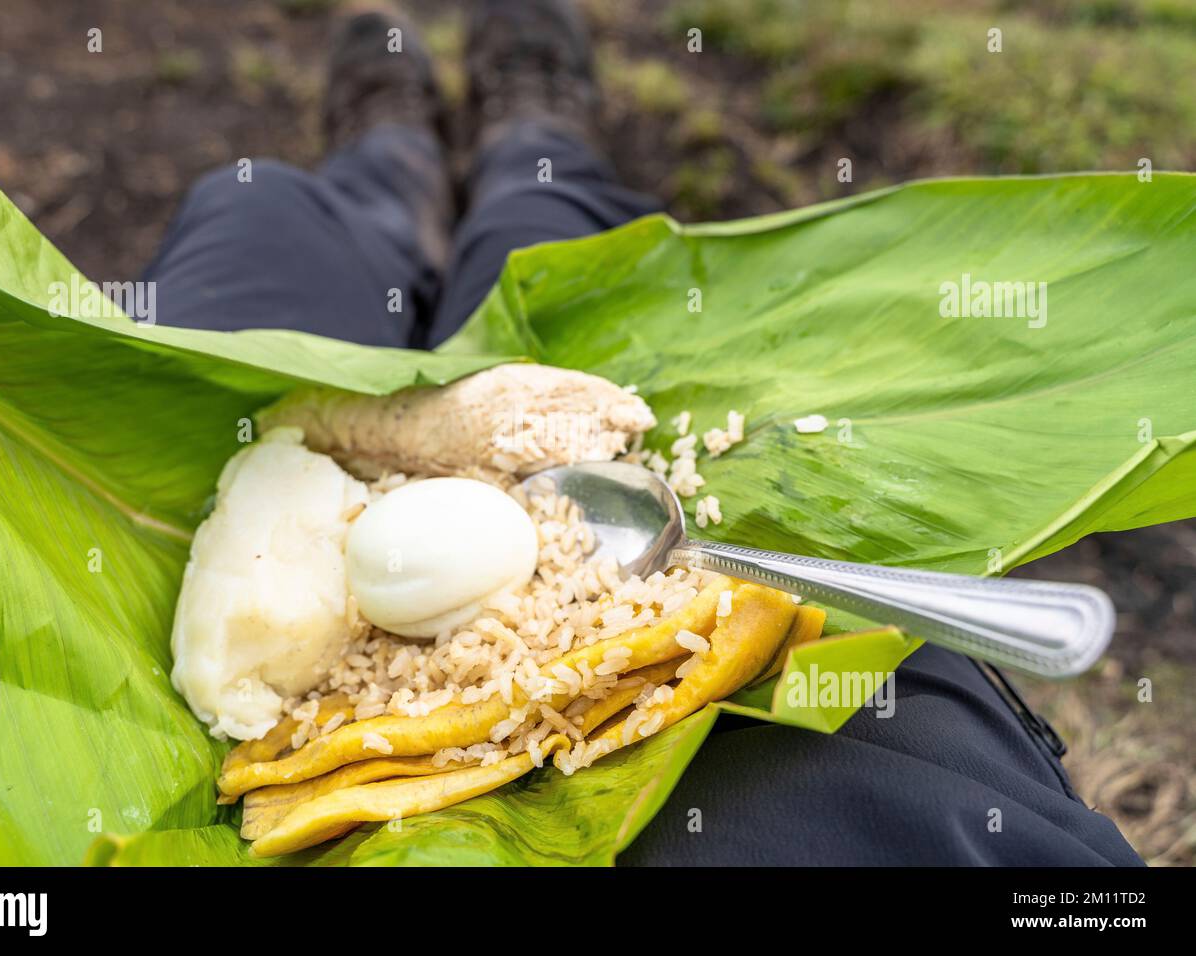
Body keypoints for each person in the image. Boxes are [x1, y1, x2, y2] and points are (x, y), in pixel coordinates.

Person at [141, 0, 1143, 866]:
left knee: (260, 212)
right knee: (545, 225)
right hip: (863, 804)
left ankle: (386, 156)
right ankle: (528, 130)